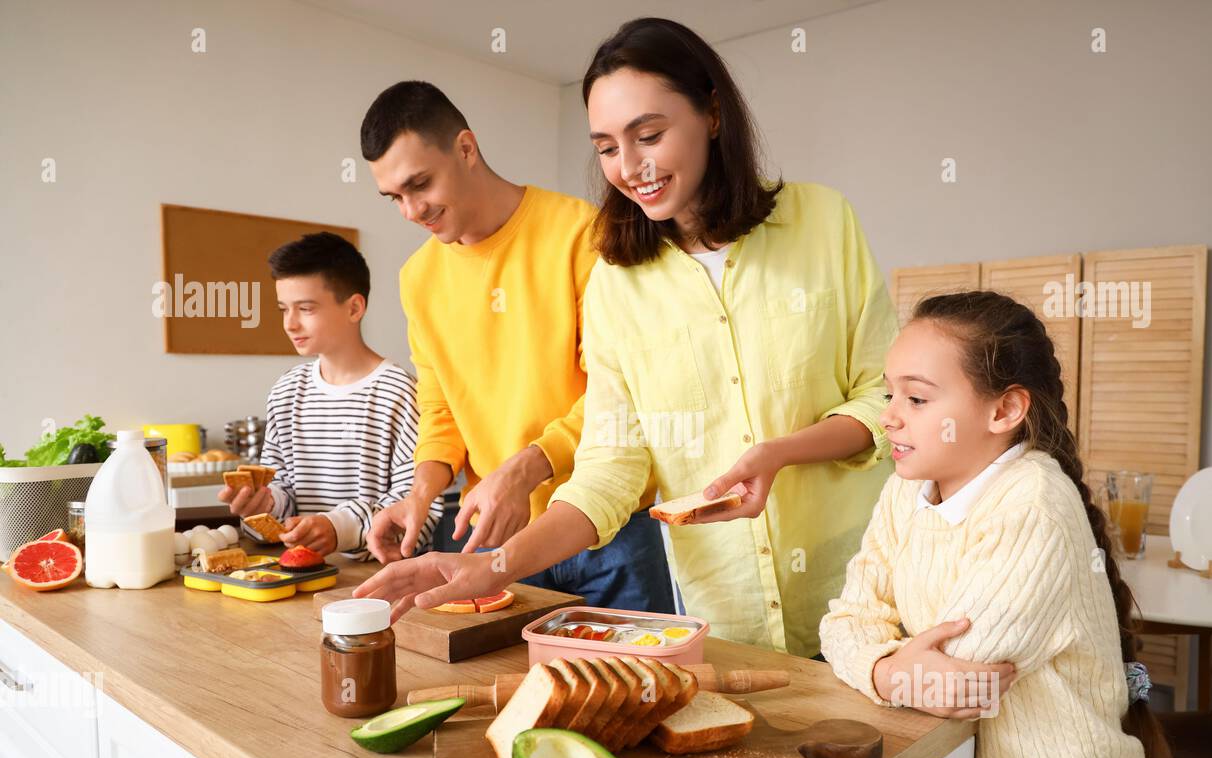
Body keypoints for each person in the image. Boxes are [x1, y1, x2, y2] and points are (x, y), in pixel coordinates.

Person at [356, 19, 898, 656]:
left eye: (649, 135)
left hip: (862, 599)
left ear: (713, 113)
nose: (630, 167)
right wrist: (495, 563)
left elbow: (885, 398)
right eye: (608, 147)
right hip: (721, 616)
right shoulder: (619, 278)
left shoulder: (823, 221)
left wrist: (780, 451)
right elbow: (610, 471)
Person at [820, 290, 1177, 758]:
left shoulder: (1034, 503)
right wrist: (890, 670)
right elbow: (844, 618)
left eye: (916, 397)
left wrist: (881, 665)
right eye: (891, 394)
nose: (888, 416)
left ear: (1005, 411)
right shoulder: (904, 490)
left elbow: (959, 680)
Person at [355, 80, 672, 612]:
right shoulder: (418, 278)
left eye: (420, 184)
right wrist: (419, 496)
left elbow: (621, 393)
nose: (411, 211)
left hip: (611, 531)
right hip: (498, 539)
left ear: (465, 148)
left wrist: (525, 469)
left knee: (637, 691)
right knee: (512, 691)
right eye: (395, 198)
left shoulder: (584, 235)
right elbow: (440, 409)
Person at [219, 232, 441, 559]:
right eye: (283, 309)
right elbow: (283, 490)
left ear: (354, 308)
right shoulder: (286, 392)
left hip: (383, 584)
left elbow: (418, 510)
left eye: (306, 309)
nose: (290, 324)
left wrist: (338, 528)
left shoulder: (400, 392)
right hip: (304, 579)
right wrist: (264, 505)